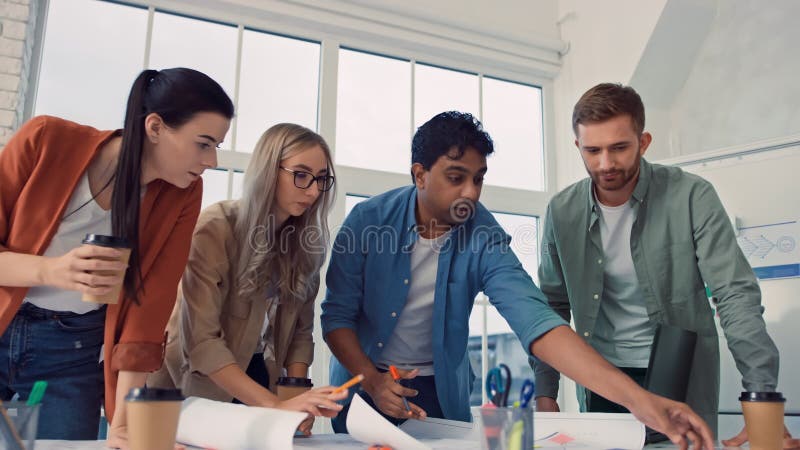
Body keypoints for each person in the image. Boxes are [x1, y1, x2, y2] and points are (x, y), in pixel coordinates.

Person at [322, 111, 715, 450]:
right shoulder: (368, 222)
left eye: (478, 179)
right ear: (420, 175)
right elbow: (336, 318)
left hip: (440, 390)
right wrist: (373, 382)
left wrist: (640, 402)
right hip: (365, 379)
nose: (470, 193)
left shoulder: (483, 234)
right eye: (456, 177)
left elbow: (536, 320)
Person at [532, 82, 797, 448]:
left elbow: (734, 294)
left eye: (619, 147)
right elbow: (550, 307)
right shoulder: (562, 212)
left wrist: (761, 396)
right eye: (593, 150)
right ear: (578, 146)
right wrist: (546, 393)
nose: (605, 163)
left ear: (643, 142)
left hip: (680, 378)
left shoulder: (692, 196)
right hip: (600, 380)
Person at [0, 68, 233, 446]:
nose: (212, 160)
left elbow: (148, 310)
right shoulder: (45, 139)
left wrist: (124, 422)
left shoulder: (183, 195)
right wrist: (52, 270)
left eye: (216, 146)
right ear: (155, 127)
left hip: (73, 352)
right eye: (203, 144)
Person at [148, 123, 346, 435]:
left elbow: (300, 334)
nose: (313, 191)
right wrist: (276, 406)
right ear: (268, 171)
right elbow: (202, 342)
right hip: (189, 385)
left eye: (321, 179)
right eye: (301, 175)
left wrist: (297, 400)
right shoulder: (216, 228)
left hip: (255, 376)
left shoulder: (307, 244)